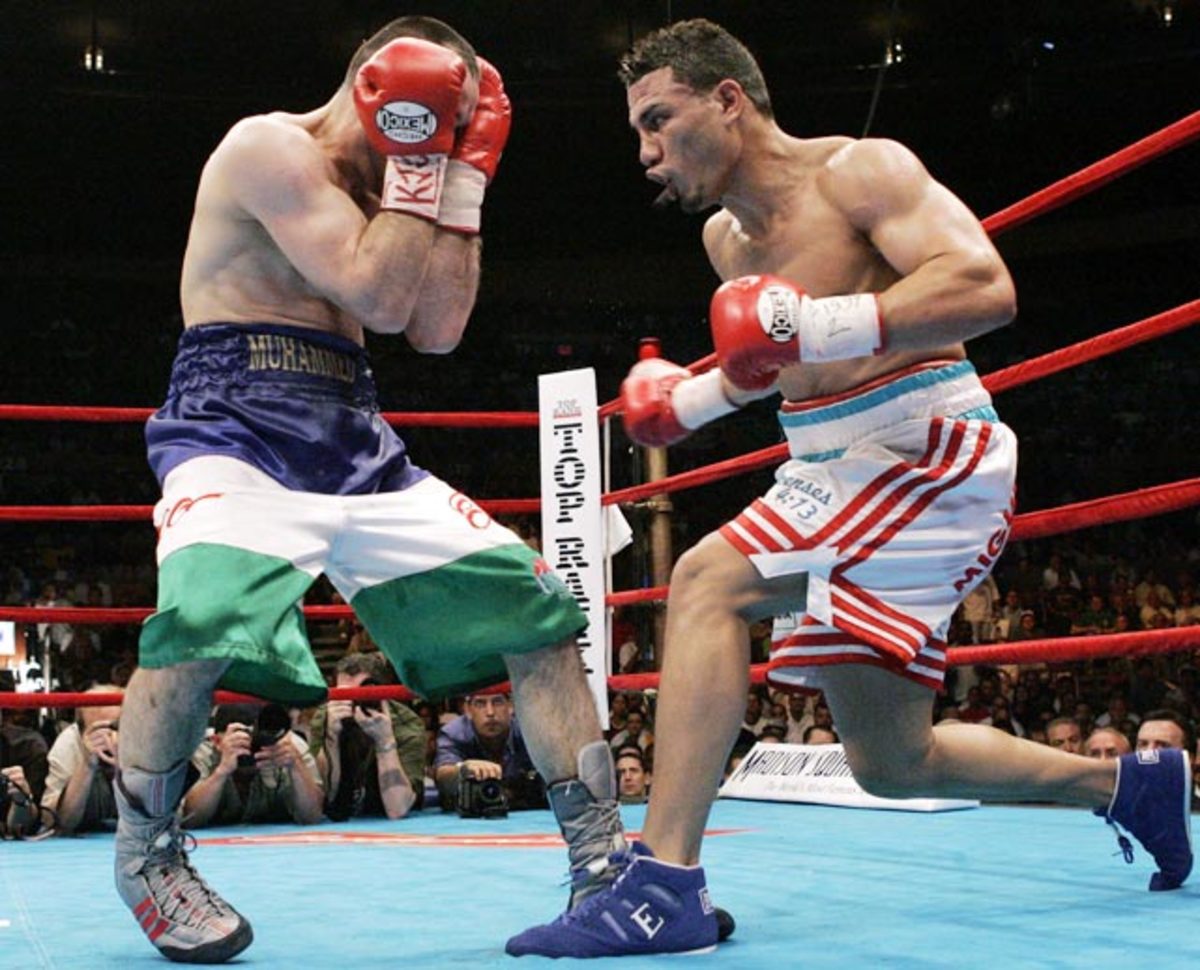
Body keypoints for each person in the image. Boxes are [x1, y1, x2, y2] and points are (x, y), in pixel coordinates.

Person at [506, 18, 1192, 958]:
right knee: (893, 762)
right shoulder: (724, 241)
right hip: (828, 465)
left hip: (927, 450)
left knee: (706, 581)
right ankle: (1132, 786)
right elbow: (773, 360)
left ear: (729, 100)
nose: (646, 152)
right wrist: (688, 403)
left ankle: (662, 885)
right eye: (638, 131)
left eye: (658, 120)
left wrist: (817, 324)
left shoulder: (860, 171)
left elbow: (985, 287)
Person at [111, 16, 626, 963]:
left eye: (459, 128)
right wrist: (427, 167)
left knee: (542, 614)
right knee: (199, 620)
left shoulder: (396, 190)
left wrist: (463, 180)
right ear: (380, 90)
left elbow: (436, 329)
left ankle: (605, 870)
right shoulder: (269, 147)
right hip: (234, 431)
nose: (443, 140)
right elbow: (382, 298)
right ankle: (147, 852)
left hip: (356, 441)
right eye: (438, 119)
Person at [309, 652, 425, 820]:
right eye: (345, 695)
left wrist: (385, 741)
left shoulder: (406, 723)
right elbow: (325, 800)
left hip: (386, 815)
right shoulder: (326, 717)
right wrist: (332, 739)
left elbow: (397, 808)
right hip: (343, 812)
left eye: (361, 694)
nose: (354, 703)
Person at [181, 703, 324, 827]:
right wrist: (221, 771)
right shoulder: (201, 751)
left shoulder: (287, 747)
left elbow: (311, 817)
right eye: (242, 737)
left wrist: (296, 765)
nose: (252, 746)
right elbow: (191, 819)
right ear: (216, 741)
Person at [433, 692, 542, 811]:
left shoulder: (530, 732)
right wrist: (462, 769)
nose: (490, 712)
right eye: (480, 704)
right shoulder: (454, 733)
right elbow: (442, 777)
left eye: (498, 702)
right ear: (468, 710)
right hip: (471, 813)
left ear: (511, 706)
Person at [42, 685, 123, 835]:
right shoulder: (69, 743)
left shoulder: (147, 740)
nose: (109, 737)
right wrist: (87, 763)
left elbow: (161, 816)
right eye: (99, 729)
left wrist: (127, 765)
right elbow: (59, 822)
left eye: (116, 727)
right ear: (80, 731)